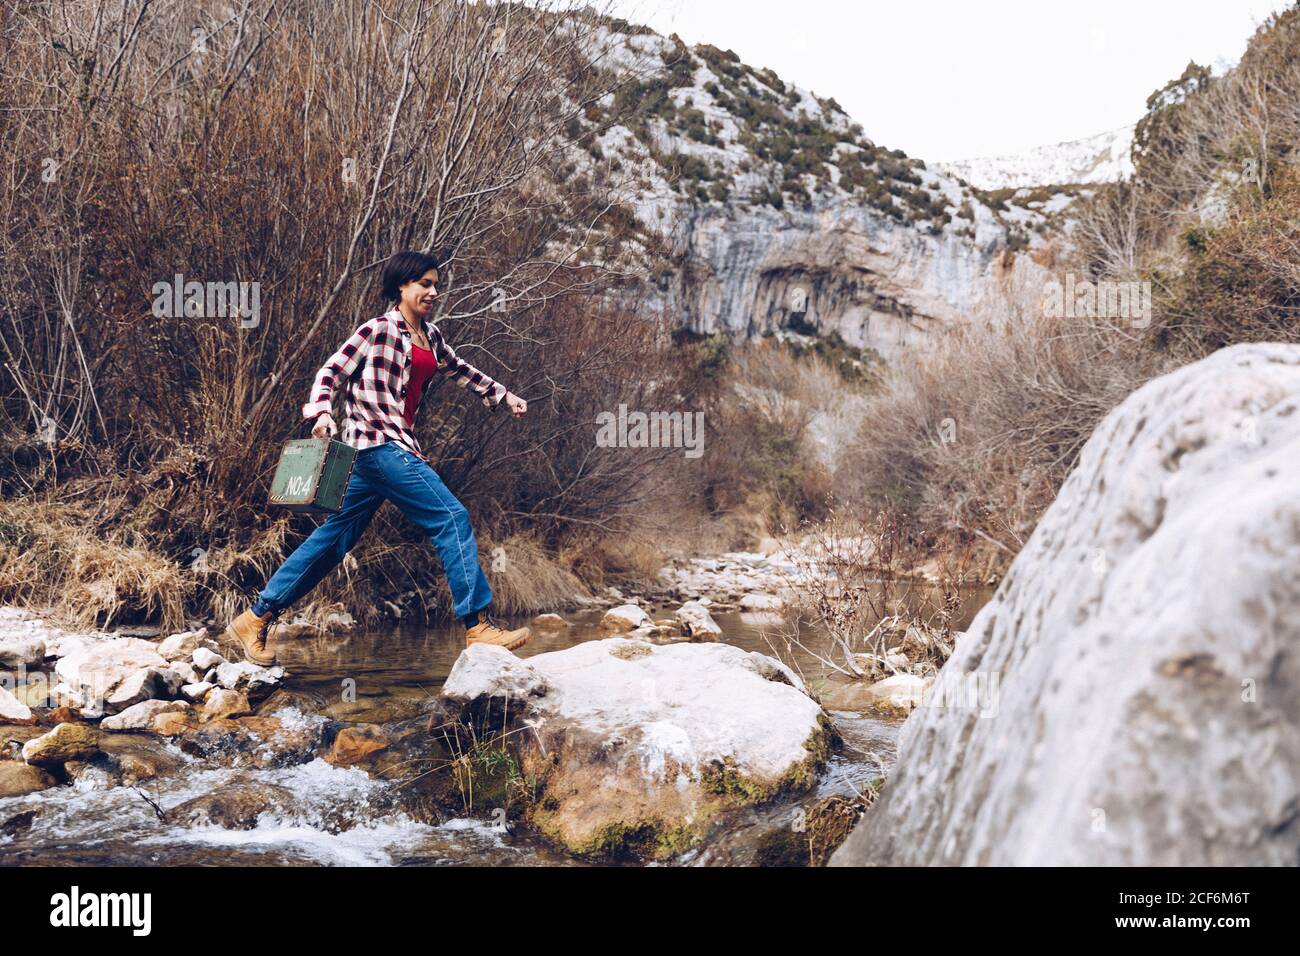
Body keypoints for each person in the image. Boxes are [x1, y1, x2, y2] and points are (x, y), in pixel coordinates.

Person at [223, 250, 532, 665]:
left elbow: (460, 368)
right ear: (401, 286)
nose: (433, 291)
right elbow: (329, 372)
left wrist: (502, 394)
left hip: (376, 456)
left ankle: (256, 616)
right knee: (450, 517)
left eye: (435, 284)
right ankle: (478, 626)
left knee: (333, 539)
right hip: (380, 446)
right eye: (424, 283)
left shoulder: (431, 336)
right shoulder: (376, 330)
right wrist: (319, 414)